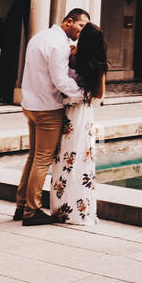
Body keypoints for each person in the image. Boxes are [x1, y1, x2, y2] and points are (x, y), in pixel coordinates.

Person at [14, 8, 88, 226]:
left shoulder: (39, 37)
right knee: (42, 159)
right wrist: (83, 94)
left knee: (33, 156)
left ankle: (21, 205)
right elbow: (60, 80)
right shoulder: (59, 44)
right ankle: (31, 211)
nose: (81, 31)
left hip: (30, 104)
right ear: (69, 21)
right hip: (47, 108)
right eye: (81, 26)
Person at [51, 22, 106, 227]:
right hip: (84, 114)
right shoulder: (99, 64)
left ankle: (61, 208)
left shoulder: (73, 57)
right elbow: (99, 94)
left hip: (69, 113)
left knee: (65, 159)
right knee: (80, 160)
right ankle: (79, 211)